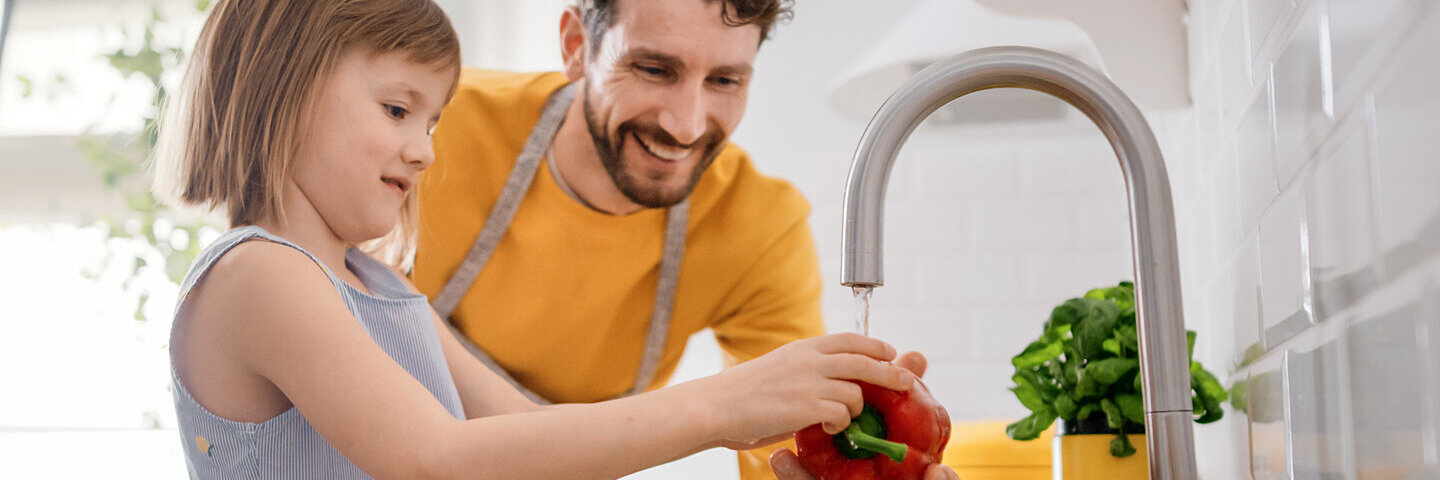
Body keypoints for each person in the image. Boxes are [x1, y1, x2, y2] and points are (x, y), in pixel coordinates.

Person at [152, 0, 929, 478]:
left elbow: (526, 442)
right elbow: (437, 460)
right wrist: (722, 406)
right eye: (399, 111)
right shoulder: (262, 277)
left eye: (429, 120)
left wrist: (859, 447)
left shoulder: (377, 286)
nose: (428, 148)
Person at [413, 1, 931, 477]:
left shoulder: (757, 226)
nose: (684, 125)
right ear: (577, 46)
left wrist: (863, 451)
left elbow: (782, 449)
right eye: (655, 70)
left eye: (724, 80)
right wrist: (718, 407)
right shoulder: (429, 128)